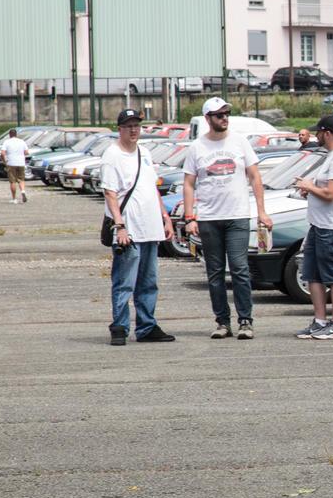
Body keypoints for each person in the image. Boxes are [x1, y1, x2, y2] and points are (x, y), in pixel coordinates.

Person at [182, 97, 273, 340]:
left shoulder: (240, 142)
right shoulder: (197, 147)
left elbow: (255, 177)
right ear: (208, 118)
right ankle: (222, 321)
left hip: (237, 216)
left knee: (240, 268)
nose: (224, 118)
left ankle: (245, 320)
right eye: (219, 115)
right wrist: (190, 217)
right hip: (209, 218)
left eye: (226, 114)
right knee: (215, 272)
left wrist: (262, 211)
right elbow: (189, 184)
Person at [102, 109, 175, 346]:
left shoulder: (143, 152)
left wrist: (165, 216)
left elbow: (151, 187)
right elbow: (110, 193)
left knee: (148, 281)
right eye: (128, 126)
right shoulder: (112, 155)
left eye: (137, 126)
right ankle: (120, 326)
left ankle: (147, 326)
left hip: (150, 226)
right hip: (128, 230)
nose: (133, 130)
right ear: (119, 129)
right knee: (124, 281)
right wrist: (119, 226)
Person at [293, 115, 333, 340]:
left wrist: (309, 187)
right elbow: (323, 188)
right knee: (312, 273)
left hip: (331, 226)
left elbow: (331, 194)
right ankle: (320, 321)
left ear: (327, 133)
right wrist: (308, 188)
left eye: (318, 132)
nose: (315, 136)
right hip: (318, 224)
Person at [1, 128, 28, 204]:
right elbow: (26, 152)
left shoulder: (7, 142)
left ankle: (14, 198)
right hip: (21, 163)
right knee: (21, 179)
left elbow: (2, 153)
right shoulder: (22, 141)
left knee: (12, 181)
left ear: (9, 135)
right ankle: (22, 191)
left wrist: (4, 161)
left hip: (11, 163)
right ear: (16, 134)